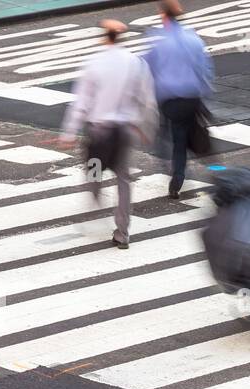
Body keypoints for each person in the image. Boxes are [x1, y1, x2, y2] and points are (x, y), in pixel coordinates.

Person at [59, 20, 155, 250]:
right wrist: (146, 128)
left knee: (93, 168)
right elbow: (146, 99)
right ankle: (123, 231)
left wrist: (69, 131)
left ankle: (95, 198)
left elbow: (82, 102)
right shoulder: (135, 63)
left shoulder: (94, 63)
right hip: (123, 131)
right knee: (123, 179)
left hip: (99, 131)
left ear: (105, 37)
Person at [144, 0, 212, 200]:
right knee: (185, 136)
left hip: (169, 101)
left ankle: (176, 173)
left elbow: (149, 68)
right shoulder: (193, 38)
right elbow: (204, 69)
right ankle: (182, 174)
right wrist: (205, 93)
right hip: (191, 98)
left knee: (170, 137)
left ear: (164, 16)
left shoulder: (159, 41)